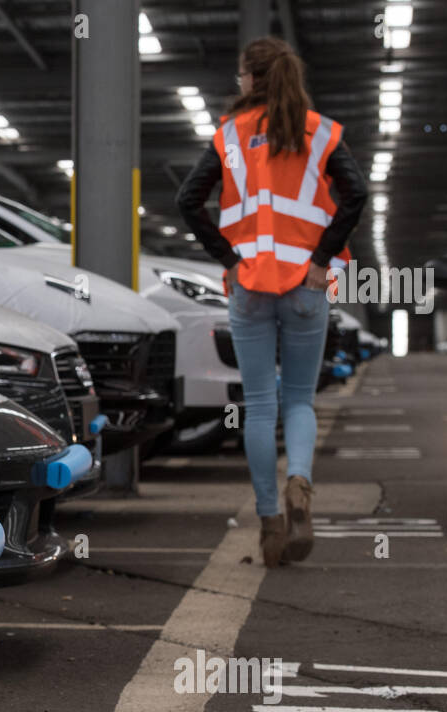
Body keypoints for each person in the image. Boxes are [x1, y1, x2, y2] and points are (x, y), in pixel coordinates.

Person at [176, 35, 367, 567]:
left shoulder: (230, 137)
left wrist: (231, 261)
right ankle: (300, 487)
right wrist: (322, 259)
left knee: (260, 405)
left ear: (252, 79)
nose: (238, 83)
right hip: (305, 288)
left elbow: (188, 201)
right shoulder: (320, 132)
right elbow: (357, 194)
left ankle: (268, 524)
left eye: (241, 74)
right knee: (301, 400)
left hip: (250, 288)